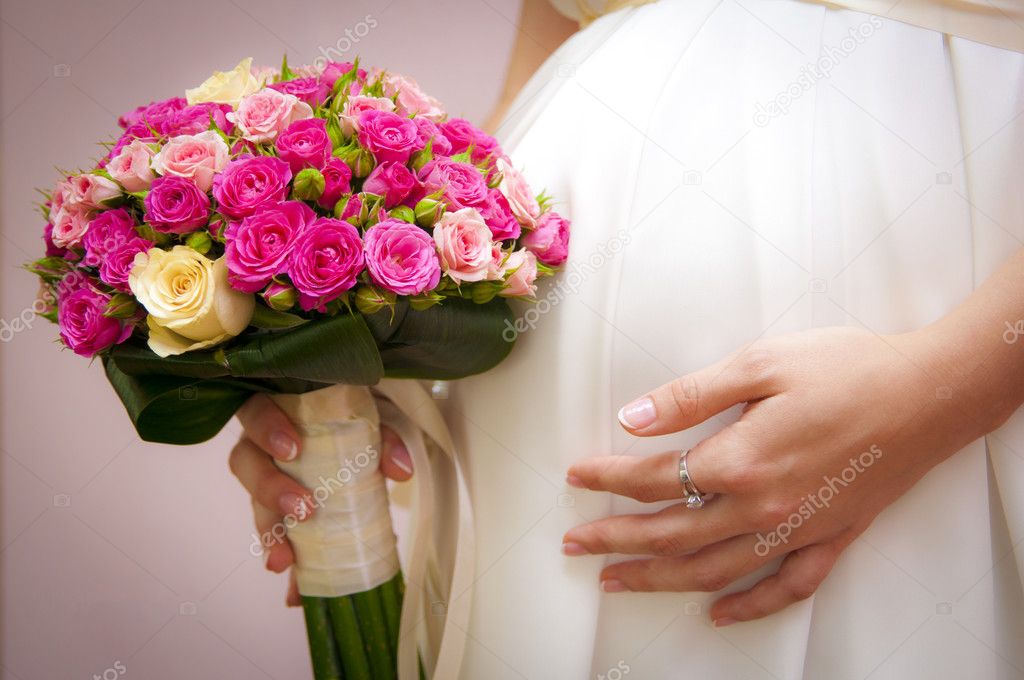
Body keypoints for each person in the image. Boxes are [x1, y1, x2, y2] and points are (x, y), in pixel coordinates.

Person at [230, 0, 1024, 676]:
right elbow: (547, 37)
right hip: (533, 415)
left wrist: (948, 389)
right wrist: (386, 349)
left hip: (950, 289)